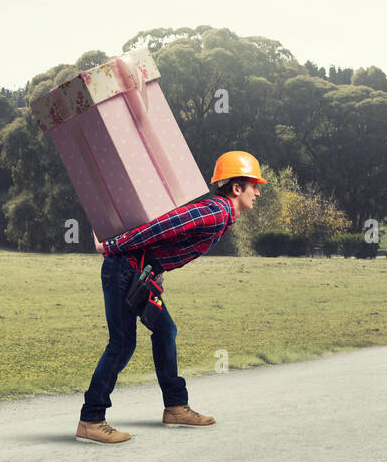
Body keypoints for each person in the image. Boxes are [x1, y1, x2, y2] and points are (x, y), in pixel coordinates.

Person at [75, 150, 266, 445]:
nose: (257, 192)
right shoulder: (215, 211)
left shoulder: (223, 215)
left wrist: (156, 274)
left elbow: (169, 243)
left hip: (140, 273)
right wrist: (112, 245)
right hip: (124, 268)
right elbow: (163, 226)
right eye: (254, 185)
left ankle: (175, 407)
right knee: (122, 343)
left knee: (165, 330)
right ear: (237, 188)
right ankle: (91, 419)